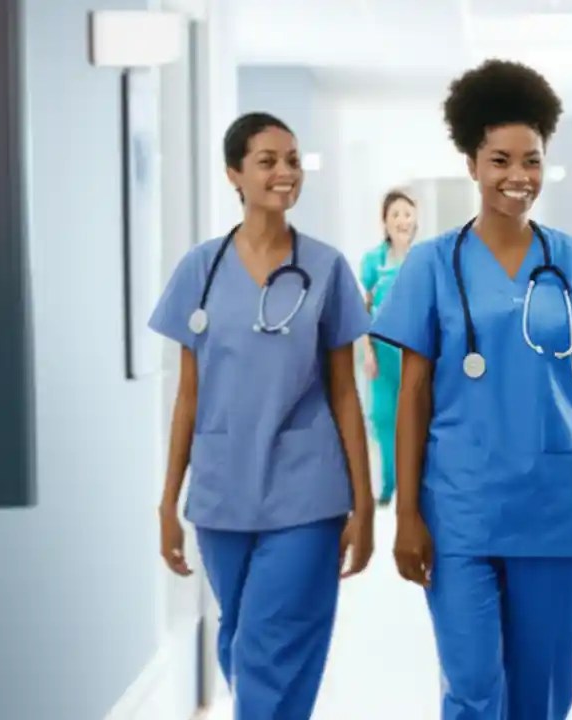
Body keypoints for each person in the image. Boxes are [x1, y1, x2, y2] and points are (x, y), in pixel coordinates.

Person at [369, 59, 572, 720]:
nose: (519, 176)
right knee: (473, 687)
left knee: (543, 693)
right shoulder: (432, 264)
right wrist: (405, 513)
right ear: (471, 163)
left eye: (532, 160)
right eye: (501, 160)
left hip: (552, 505)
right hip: (460, 508)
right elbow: (412, 397)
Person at [150, 112, 375, 718]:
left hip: (306, 490)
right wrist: (168, 502)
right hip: (222, 491)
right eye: (268, 161)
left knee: (271, 643)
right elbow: (188, 395)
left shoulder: (326, 268)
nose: (286, 172)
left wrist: (364, 504)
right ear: (235, 174)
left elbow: (345, 392)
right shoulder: (201, 270)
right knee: (240, 637)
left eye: (293, 160)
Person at [359, 189, 418, 506]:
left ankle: (413, 484)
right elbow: (363, 310)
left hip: (414, 353)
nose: (402, 220)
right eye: (395, 214)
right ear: (385, 222)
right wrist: (367, 351)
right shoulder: (373, 262)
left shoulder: (423, 260)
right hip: (382, 353)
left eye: (407, 214)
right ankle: (388, 482)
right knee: (383, 417)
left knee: (415, 418)